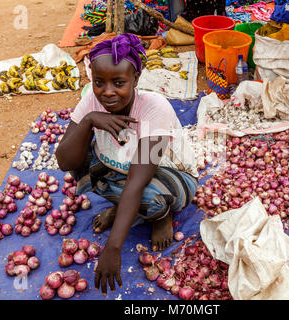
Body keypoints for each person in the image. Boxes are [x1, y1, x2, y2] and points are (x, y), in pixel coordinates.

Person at [55, 33, 198, 294]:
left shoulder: (154, 108)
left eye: (118, 82)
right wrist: (89, 121)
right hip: (121, 167)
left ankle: (161, 217)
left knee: (150, 197)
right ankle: (125, 209)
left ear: (135, 79)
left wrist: (113, 248)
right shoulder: (92, 100)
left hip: (171, 175)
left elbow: (137, 181)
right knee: (79, 160)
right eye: (99, 82)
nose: (107, 92)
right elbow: (65, 160)